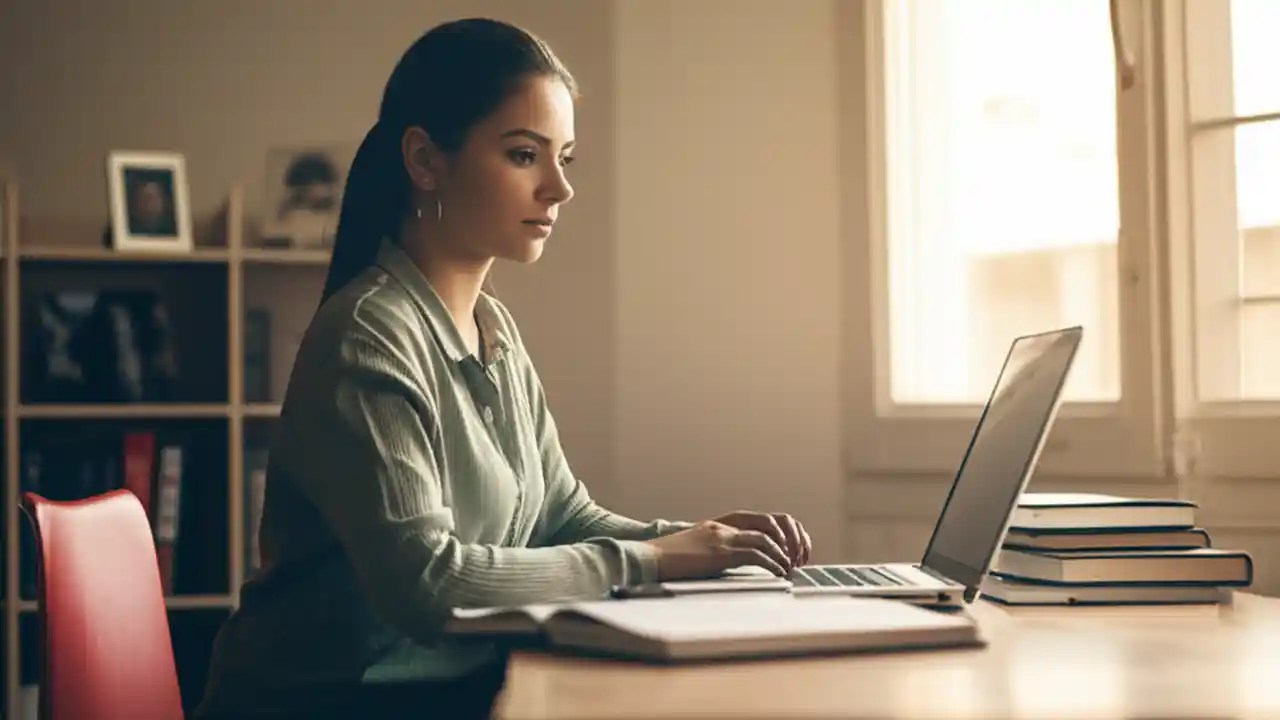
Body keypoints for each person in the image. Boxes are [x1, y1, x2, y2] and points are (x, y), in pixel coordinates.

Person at [197, 17, 812, 719]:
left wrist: (702, 543)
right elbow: (429, 584)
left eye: (565, 159)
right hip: (330, 702)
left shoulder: (494, 326)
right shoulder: (370, 333)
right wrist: (659, 559)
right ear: (426, 160)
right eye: (525, 155)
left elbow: (559, 514)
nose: (560, 189)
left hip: (445, 689)